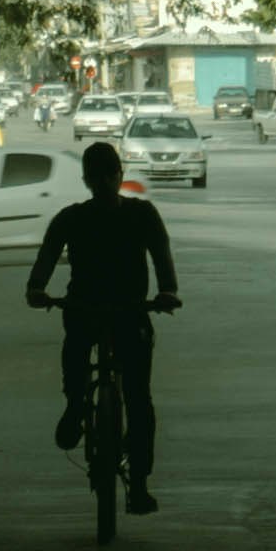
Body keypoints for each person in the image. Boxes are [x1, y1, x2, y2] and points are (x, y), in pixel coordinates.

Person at [26, 137, 180, 509]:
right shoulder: (143, 213)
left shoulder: (71, 217)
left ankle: (75, 406)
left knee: (77, 355)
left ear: (86, 179)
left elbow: (43, 264)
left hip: (86, 311)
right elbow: (162, 260)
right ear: (119, 175)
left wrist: (37, 291)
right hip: (129, 312)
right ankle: (138, 485)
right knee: (139, 400)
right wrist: (167, 293)